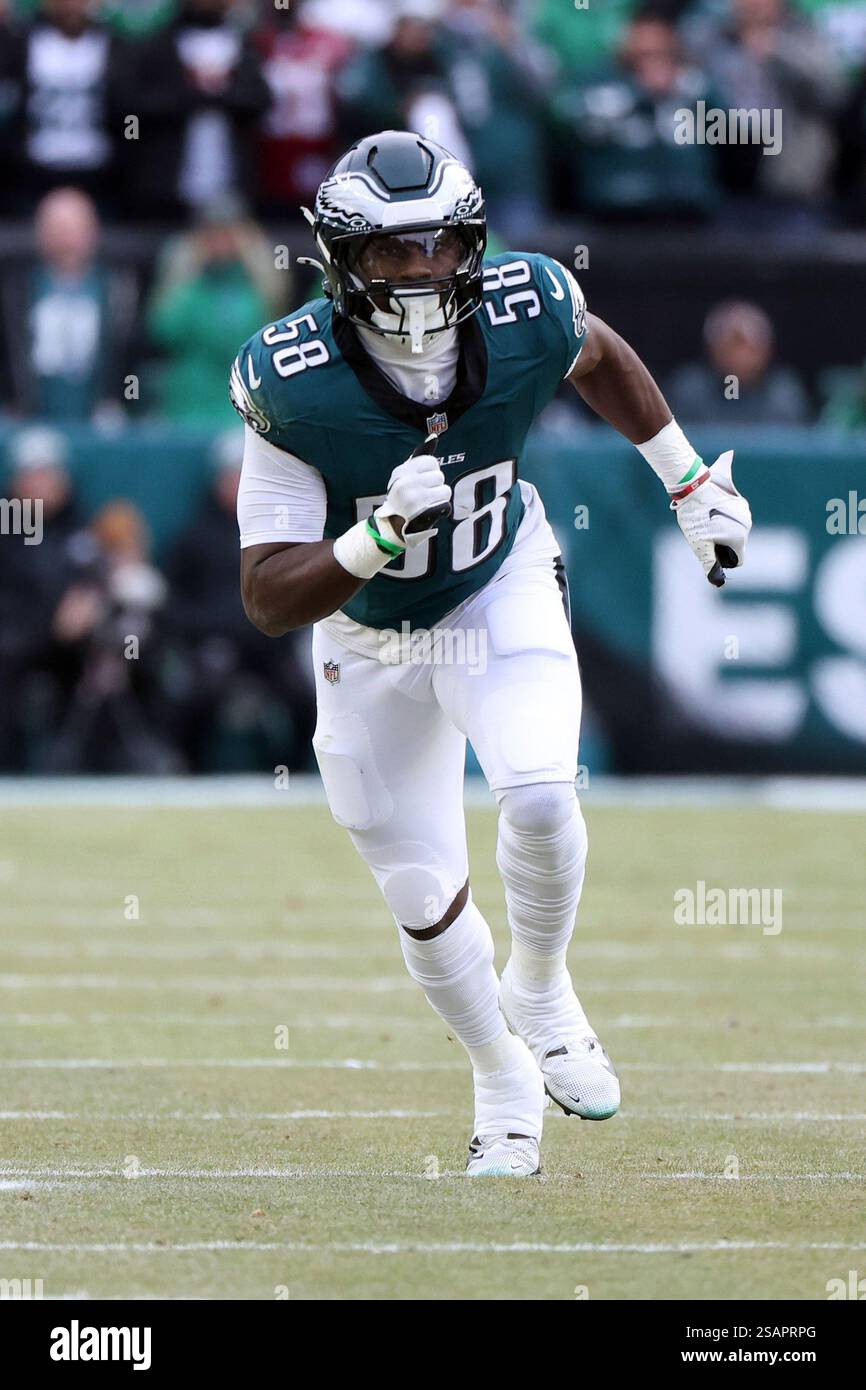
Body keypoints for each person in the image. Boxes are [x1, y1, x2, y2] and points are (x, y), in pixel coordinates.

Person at [230, 131, 753, 1176]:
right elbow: (264, 595)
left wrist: (687, 481)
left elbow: (596, 353)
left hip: (493, 583)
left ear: (470, 245)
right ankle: (499, 1072)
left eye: (434, 247)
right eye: (389, 253)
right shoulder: (291, 379)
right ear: (340, 259)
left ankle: (544, 984)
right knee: (421, 893)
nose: (417, 273)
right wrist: (369, 539)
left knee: (544, 794)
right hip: (364, 635)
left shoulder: (527, 305)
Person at [164, 428, 316, 771]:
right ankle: (189, 772)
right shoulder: (194, 538)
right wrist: (219, 626)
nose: (239, 483)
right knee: (201, 692)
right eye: (233, 474)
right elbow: (173, 606)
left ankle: (286, 775)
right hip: (215, 643)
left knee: (302, 697)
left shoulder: (281, 533)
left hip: (270, 645)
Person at [0, 186, 138, 420]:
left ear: (93, 231)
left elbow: (133, 362)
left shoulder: (120, 290)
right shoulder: (13, 289)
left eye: (73, 229)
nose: (65, 239)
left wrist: (126, 403)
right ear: (39, 233)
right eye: (56, 229)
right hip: (28, 422)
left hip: (99, 422)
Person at [147, 196, 286, 427]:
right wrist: (187, 274)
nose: (219, 241)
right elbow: (163, 330)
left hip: (242, 410)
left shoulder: (260, 287)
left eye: (228, 232)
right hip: (186, 408)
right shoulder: (185, 282)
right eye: (211, 233)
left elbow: (265, 342)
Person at [665, 300, 811, 425]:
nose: (739, 356)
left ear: (767, 350)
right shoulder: (690, 390)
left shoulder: (784, 393)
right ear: (712, 348)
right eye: (730, 346)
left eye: (748, 346)